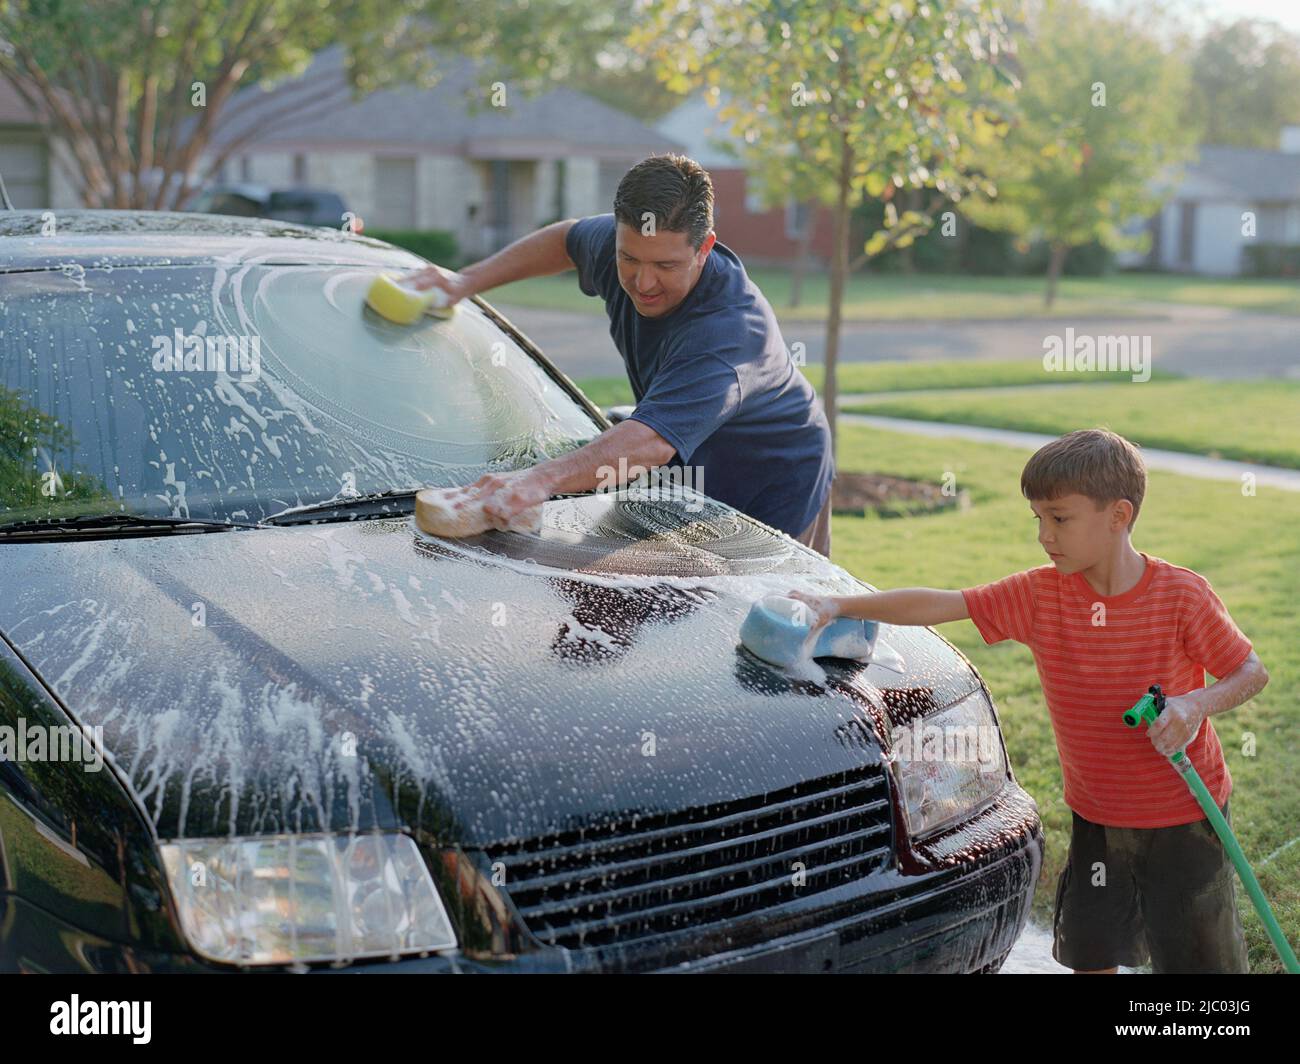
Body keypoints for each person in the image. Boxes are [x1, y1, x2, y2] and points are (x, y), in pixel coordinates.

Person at [786, 427, 1268, 973]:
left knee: (1196, 965)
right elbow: (942, 603)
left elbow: (1251, 672)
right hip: (1098, 815)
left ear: (1118, 516)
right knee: (1093, 951)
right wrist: (838, 604)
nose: (1044, 534)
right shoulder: (1039, 595)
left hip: (1184, 813)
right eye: (1037, 518)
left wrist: (1193, 706)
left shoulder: (1181, 596)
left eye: (1059, 518)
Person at [405, 153, 834, 555]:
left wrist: (538, 479)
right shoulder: (626, 243)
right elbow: (566, 240)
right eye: (629, 258)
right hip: (685, 469)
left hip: (772, 479)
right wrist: (463, 282)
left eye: (666, 266)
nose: (643, 282)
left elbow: (649, 441)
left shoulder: (731, 332)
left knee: (750, 617)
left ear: (704, 249)